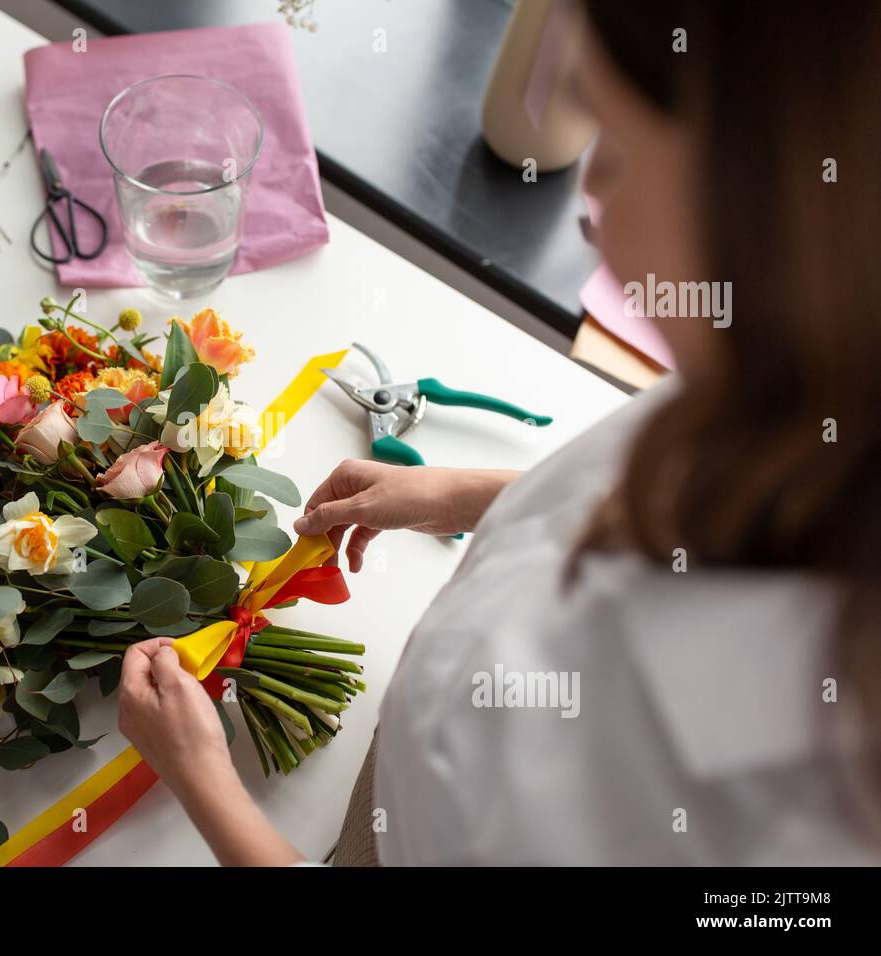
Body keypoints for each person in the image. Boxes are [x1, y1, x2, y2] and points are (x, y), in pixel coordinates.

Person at [117, 1, 881, 865]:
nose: (586, 195)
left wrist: (203, 781)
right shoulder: (785, 378)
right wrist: (475, 497)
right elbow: (644, 499)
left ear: (760, 205)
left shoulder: (750, 813)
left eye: (617, 148)